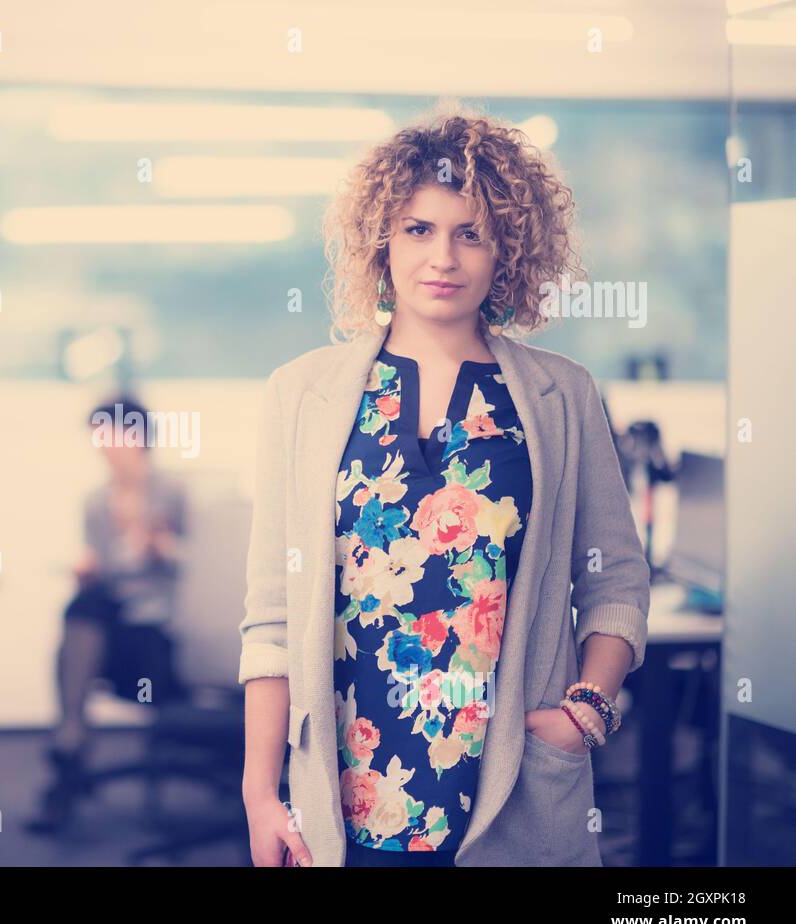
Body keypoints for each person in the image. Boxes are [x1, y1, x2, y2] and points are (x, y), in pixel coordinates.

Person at [240, 107, 651, 868]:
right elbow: (270, 616)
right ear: (381, 243)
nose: (444, 257)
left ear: (508, 253)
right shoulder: (302, 394)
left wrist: (587, 710)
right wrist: (261, 794)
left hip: (514, 777)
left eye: (472, 232)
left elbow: (617, 577)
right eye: (418, 229)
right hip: (347, 785)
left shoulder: (562, 395)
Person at [25, 395, 188, 834]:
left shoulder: (174, 490)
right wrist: (88, 571)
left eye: (109, 433)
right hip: (114, 623)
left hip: (161, 629)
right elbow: (108, 574)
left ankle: (69, 750)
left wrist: (163, 547)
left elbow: (207, 567)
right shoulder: (96, 502)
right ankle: (72, 737)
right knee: (84, 605)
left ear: (136, 435)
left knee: (84, 618)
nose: (102, 445)